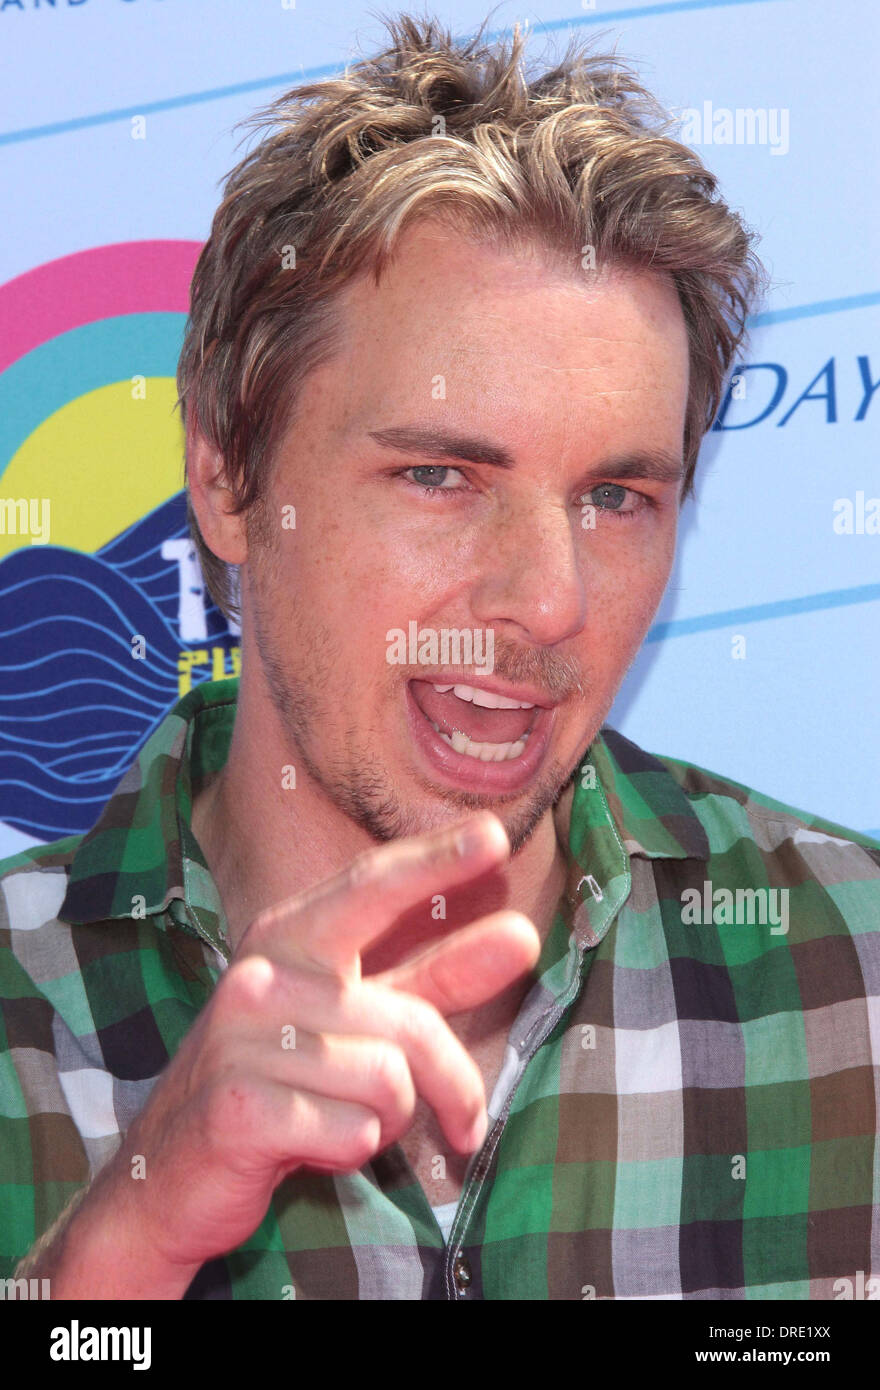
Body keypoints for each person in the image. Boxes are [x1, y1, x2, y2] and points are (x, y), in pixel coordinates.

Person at [2, 13, 878, 1302]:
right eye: (438, 475)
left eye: (617, 497)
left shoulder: (851, 973)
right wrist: (126, 1244)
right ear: (228, 478)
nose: (548, 599)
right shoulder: (23, 1009)